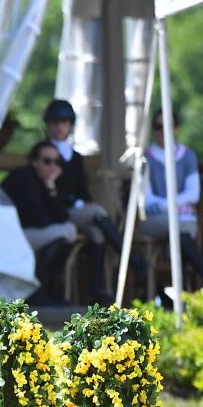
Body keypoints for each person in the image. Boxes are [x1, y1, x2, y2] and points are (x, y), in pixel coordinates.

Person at [43, 98, 145, 303]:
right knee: (97, 211)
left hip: (77, 210)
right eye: (54, 122)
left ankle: (96, 289)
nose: (58, 127)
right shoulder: (44, 152)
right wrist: (76, 202)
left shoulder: (76, 157)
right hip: (57, 210)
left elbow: (83, 188)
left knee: (97, 234)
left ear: (70, 126)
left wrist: (81, 201)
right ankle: (129, 257)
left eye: (63, 122)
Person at [139, 110, 203, 290]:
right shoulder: (145, 157)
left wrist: (163, 204)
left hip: (184, 220)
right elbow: (146, 200)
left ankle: (181, 292)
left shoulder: (187, 156)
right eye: (158, 127)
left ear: (176, 129)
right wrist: (172, 205)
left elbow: (193, 194)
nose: (163, 131)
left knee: (180, 235)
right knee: (178, 230)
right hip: (155, 220)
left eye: (167, 127)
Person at [1, 141, 79, 307]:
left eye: (56, 162)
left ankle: (48, 291)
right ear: (34, 162)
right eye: (47, 161)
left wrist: (51, 188)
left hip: (28, 233)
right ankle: (39, 291)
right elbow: (40, 220)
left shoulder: (46, 180)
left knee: (66, 231)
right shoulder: (24, 179)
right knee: (65, 232)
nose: (52, 166)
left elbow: (62, 216)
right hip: (11, 238)